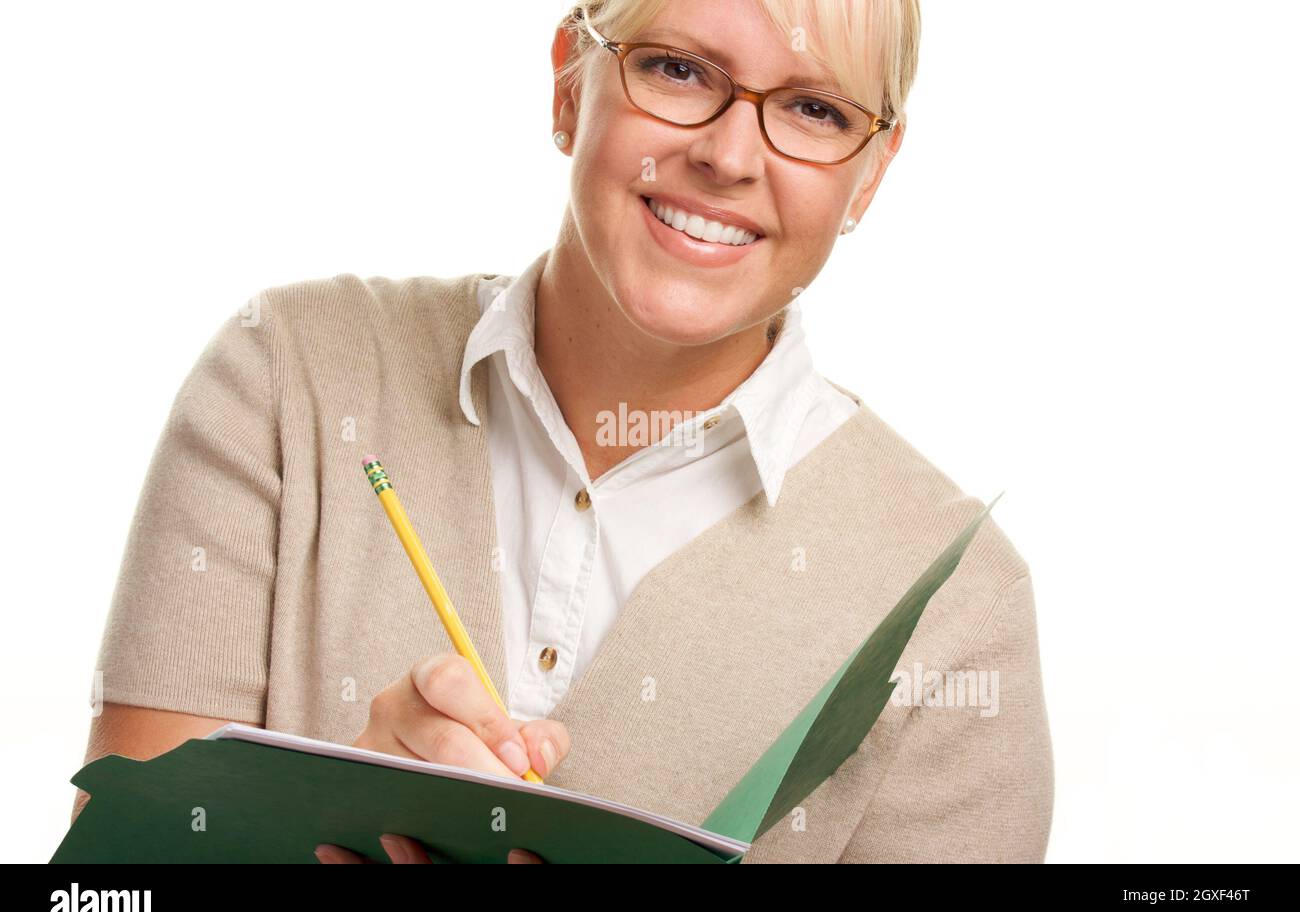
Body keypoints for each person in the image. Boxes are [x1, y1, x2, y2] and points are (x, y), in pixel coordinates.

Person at [76, 0, 1053, 864]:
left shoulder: (957, 605)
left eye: (815, 110)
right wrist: (301, 824)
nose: (726, 153)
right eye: (677, 68)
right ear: (566, 80)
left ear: (871, 175)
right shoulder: (286, 375)